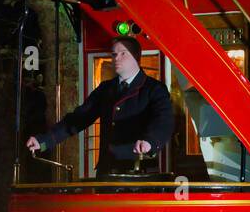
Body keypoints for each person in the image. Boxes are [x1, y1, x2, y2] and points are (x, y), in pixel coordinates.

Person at [26, 35, 174, 175]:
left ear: (137, 58)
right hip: (107, 171)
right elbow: (78, 119)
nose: (116, 58)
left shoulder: (154, 89)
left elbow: (164, 121)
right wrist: (43, 142)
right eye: (114, 54)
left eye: (123, 54)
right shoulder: (106, 89)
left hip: (139, 171)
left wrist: (150, 142)